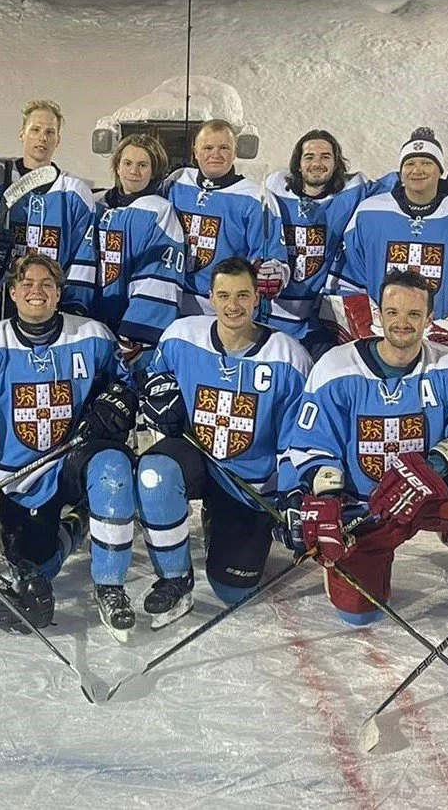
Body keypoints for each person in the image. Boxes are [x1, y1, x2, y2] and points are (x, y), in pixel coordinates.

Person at [280, 269, 448, 677]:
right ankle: (358, 567)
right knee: (358, 614)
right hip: (368, 507)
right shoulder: (337, 368)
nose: (402, 322)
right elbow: (307, 442)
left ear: (430, 318)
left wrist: (437, 464)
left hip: (433, 493)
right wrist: (325, 496)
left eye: (414, 313)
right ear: (378, 312)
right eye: (393, 311)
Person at [0, 255, 140, 640]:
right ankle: (77, 523)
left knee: (113, 467)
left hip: (73, 460)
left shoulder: (91, 335)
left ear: (58, 293)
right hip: (19, 480)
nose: (37, 291)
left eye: (46, 284)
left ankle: (111, 587)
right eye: (28, 284)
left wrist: (118, 401)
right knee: (35, 571)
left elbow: (128, 381)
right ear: (14, 292)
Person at [134, 257, 311, 626]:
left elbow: (299, 438)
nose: (234, 306)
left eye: (243, 295)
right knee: (154, 473)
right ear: (211, 297)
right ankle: (174, 579)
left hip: (249, 484)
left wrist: (294, 495)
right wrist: (157, 397)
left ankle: (222, 520)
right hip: (196, 456)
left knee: (233, 589)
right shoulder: (182, 336)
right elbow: (154, 380)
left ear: (257, 299)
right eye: (225, 295)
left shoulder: (288, 356)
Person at [328, 127, 448, 368]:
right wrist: (368, 335)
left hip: (442, 353)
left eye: (426, 163)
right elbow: (348, 284)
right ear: (400, 170)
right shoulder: (369, 214)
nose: (417, 170)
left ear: (440, 170)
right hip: (380, 346)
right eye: (410, 163)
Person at [263, 130, 396, 357]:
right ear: (298, 163)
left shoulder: (353, 191)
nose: (317, 162)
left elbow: (403, 183)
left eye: (325, 156)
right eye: (310, 157)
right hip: (271, 317)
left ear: (337, 163)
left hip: (320, 324)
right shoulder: (275, 189)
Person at [167, 119, 288, 319]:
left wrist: (275, 272)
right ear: (195, 151)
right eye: (208, 147)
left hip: (224, 310)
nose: (215, 154)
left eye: (224, 147)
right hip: (170, 302)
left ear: (235, 152)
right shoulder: (176, 182)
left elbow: (271, 258)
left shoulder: (255, 198)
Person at [89, 133, 185, 368]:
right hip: (90, 320)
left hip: (128, 331)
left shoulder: (159, 212)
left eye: (143, 165)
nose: (134, 171)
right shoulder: (95, 204)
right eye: (128, 163)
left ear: (154, 171)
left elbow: (159, 273)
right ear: (117, 167)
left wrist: (135, 333)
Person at [0, 100, 98, 312]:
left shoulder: (74, 192)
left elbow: (83, 256)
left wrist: (75, 304)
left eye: (50, 132)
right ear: (22, 134)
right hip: (2, 301)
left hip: (49, 303)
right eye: (35, 130)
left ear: (58, 140)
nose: (42, 138)